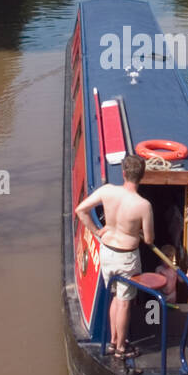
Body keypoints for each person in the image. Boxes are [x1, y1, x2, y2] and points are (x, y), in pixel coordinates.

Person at [74, 153, 153, 361]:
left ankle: (113, 341)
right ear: (142, 176)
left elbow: (81, 210)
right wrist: (139, 233)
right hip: (127, 258)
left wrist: (95, 231)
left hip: (107, 251)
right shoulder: (143, 205)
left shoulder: (107, 191)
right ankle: (120, 349)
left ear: (123, 173)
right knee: (124, 302)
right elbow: (150, 239)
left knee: (115, 298)